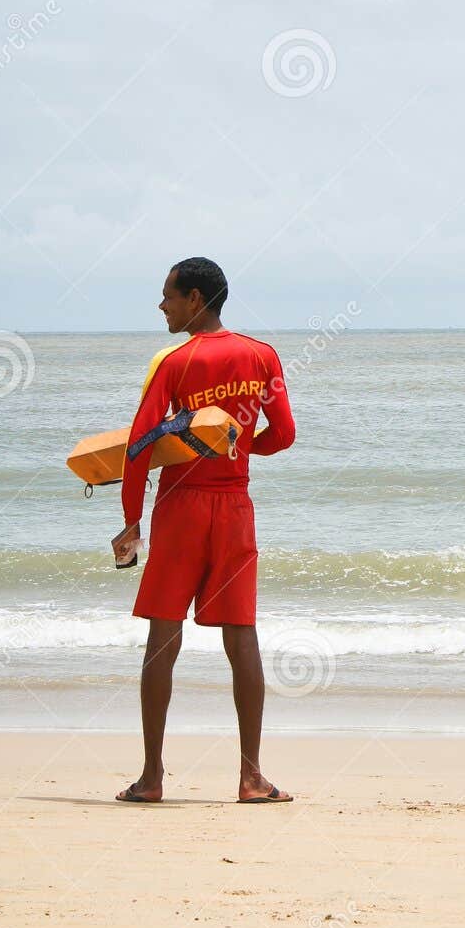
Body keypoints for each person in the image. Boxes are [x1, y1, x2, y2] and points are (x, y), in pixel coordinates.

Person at [112, 258, 296, 804]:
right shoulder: (262, 356)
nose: (162, 306)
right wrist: (234, 446)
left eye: (168, 296)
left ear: (194, 299)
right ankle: (251, 778)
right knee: (241, 636)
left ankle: (151, 778)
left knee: (163, 637)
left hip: (180, 508)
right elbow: (283, 434)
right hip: (234, 506)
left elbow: (138, 447)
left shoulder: (174, 362)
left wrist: (131, 520)